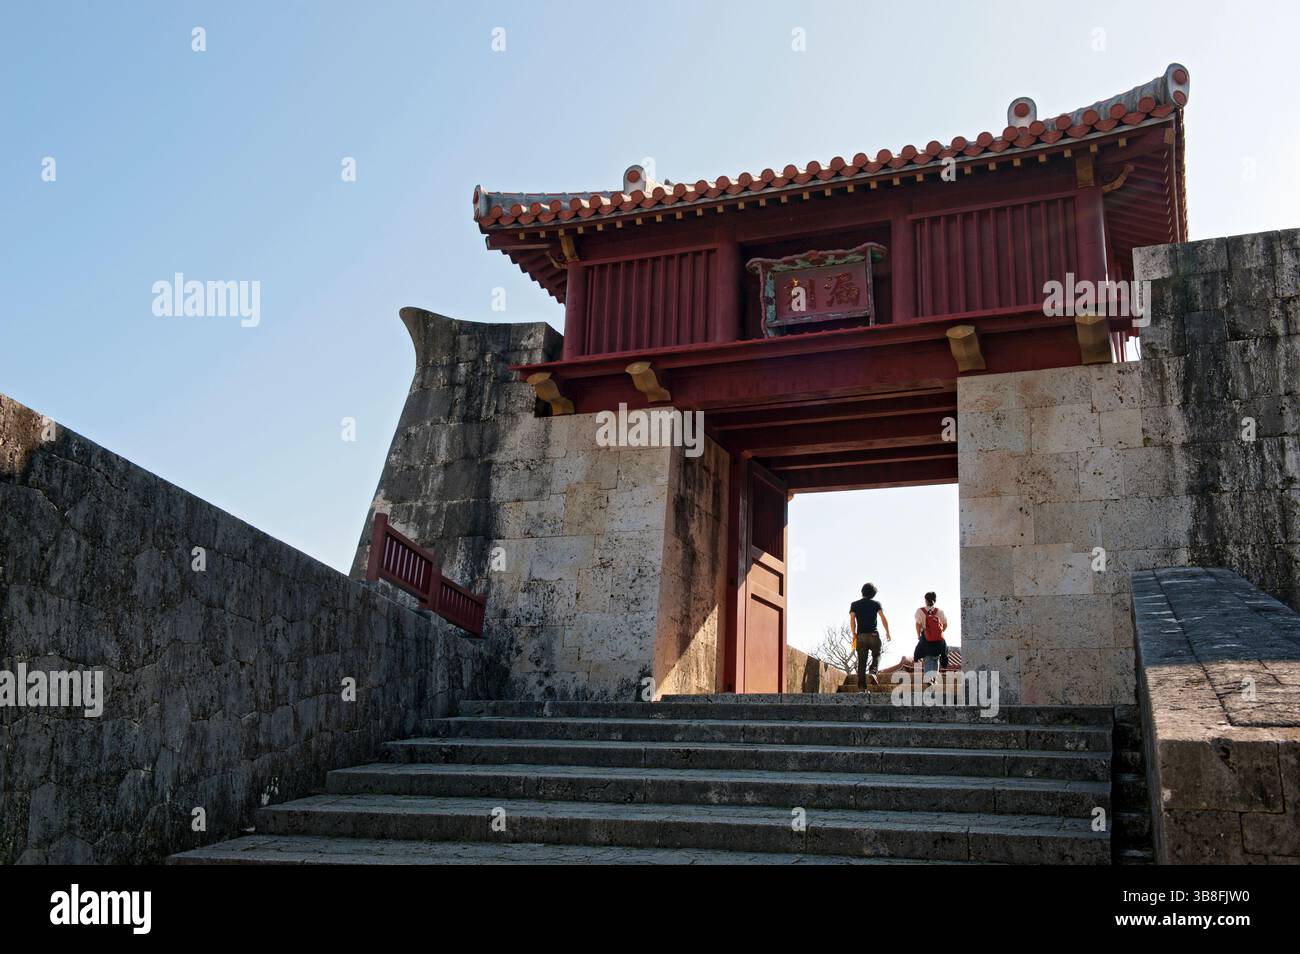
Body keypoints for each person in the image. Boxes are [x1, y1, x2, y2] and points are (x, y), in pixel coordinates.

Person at [849, 583, 891, 691]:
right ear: (873, 594)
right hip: (873, 635)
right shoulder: (876, 604)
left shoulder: (854, 604)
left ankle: (862, 689)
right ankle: (873, 671)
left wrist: (854, 634)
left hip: (861, 636)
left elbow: (852, 620)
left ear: (862, 591)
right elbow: (883, 618)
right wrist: (887, 632)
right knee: (876, 655)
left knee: (861, 663)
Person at [914, 591, 949, 682]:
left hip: (926, 638)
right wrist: (938, 633)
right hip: (939, 640)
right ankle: (933, 679)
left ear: (925, 600)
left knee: (928, 657)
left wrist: (919, 635)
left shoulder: (920, 611)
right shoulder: (940, 611)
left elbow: (918, 625)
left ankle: (929, 678)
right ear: (935, 600)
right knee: (936, 657)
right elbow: (945, 624)